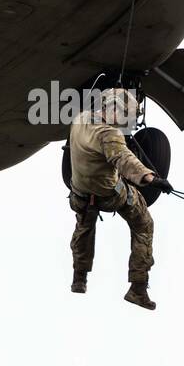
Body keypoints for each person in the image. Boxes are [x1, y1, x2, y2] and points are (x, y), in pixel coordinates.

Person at [67, 88, 172, 310]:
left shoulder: (79, 120)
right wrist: (151, 178)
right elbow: (124, 159)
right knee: (144, 224)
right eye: (127, 115)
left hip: (80, 194)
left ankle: (79, 278)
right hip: (109, 195)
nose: (128, 123)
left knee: (84, 227)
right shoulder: (109, 135)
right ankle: (138, 289)